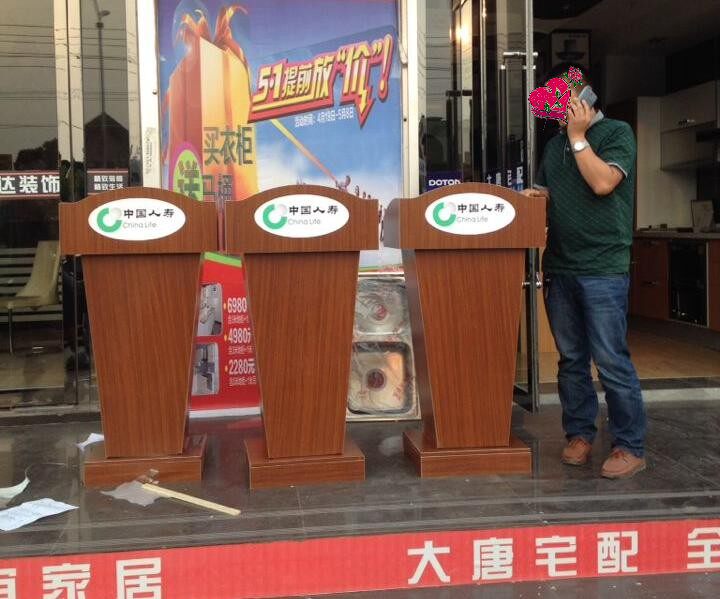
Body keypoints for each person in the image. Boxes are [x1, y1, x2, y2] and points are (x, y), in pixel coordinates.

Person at [522, 63, 647, 479]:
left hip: (603, 267)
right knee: (571, 360)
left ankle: (630, 445)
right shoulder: (554, 147)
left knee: (610, 360)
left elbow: (602, 183)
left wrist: (578, 137)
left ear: (586, 96)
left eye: (563, 97)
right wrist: (535, 198)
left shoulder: (616, 134)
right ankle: (579, 434)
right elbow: (549, 196)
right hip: (560, 266)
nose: (556, 108)